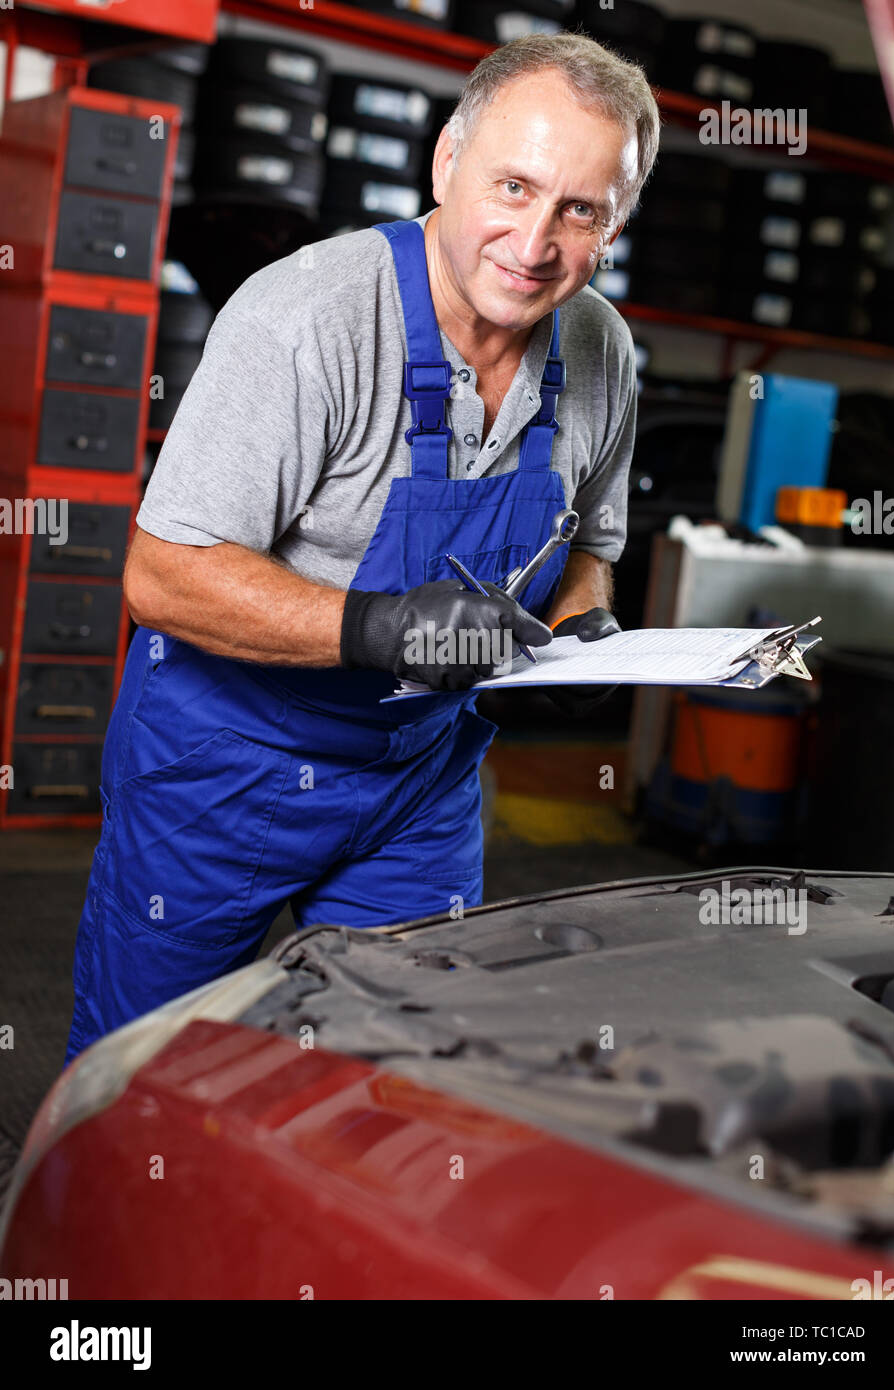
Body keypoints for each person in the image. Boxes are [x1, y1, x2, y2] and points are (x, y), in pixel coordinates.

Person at [64, 32, 660, 1063]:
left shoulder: (602, 351)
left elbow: (586, 552)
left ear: (615, 222)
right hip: (224, 770)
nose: (533, 241)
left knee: (408, 1067)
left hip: (418, 785)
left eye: (580, 210)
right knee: (144, 1071)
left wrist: (583, 629)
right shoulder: (308, 318)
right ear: (444, 164)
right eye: (512, 186)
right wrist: (376, 627)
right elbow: (160, 575)